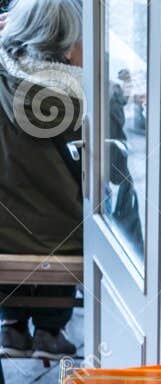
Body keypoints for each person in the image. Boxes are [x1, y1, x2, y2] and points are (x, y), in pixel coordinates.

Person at [0, 0, 83, 357]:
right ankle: (50, 330)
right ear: (71, 41)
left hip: (2, 241)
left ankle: (12, 325)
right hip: (66, 246)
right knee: (65, 222)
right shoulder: (92, 94)